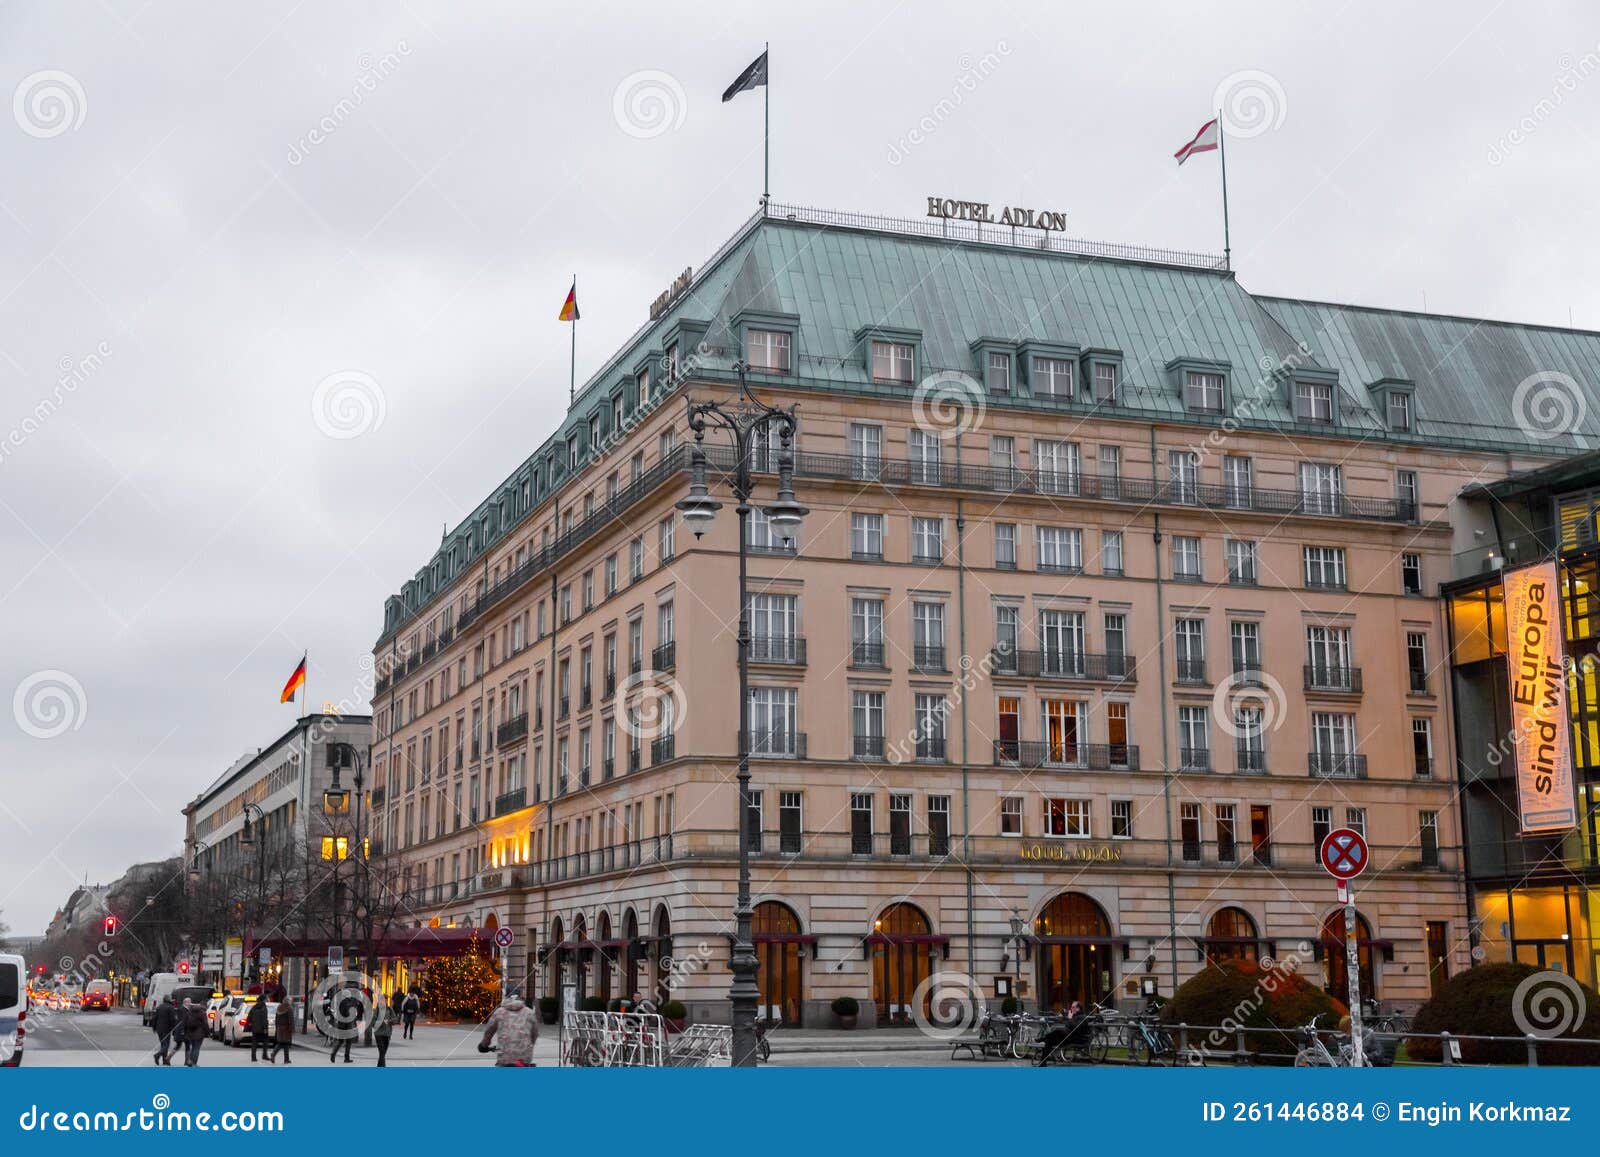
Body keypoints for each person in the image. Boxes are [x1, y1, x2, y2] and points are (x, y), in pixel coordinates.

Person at [478, 989, 539, 1066]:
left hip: (505, 1058)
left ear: (506, 996)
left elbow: (489, 1031)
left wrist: (483, 1045)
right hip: (523, 1059)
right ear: (520, 997)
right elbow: (535, 1033)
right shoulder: (529, 1012)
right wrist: (529, 1044)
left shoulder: (499, 1012)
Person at [151, 995, 178, 1065]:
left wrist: (154, 1028)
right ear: (169, 1000)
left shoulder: (159, 1007)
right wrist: (174, 1028)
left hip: (159, 1028)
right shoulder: (171, 1007)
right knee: (166, 1045)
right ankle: (157, 1055)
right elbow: (172, 1019)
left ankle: (164, 1060)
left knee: (163, 1044)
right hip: (167, 1029)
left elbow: (154, 1018)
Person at [180, 996, 207, 1067]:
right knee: (196, 1048)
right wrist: (207, 1033)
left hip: (190, 1033)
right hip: (199, 1034)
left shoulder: (189, 1012)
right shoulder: (202, 1013)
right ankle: (194, 1063)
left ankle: (190, 1061)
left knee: (193, 1047)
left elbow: (185, 1022)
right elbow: (205, 1024)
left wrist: (184, 1031)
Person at [269, 991, 294, 1063]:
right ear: (288, 1001)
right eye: (290, 1001)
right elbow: (291, 1019)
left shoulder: (279, 1007)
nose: (291, 1002)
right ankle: (273, 1054)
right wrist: (292, 1028)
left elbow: (276, 1019)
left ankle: (286, 1059)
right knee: (282, 1043)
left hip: (280, 1028)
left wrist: (277, 1027)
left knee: (285, 1043)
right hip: (286, 1029)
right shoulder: (289, 1008)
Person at [371, 994, 396, 1066]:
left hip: (387, 1033)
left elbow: (395, 1019)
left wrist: (390, 1021)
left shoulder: (389, 1009)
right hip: (378, 1033)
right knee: (382, 1051)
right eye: (382, 999)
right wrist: (381, 1022)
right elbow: (373, 1022)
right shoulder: (376, 1010)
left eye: (385, 999)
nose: (384, 1001)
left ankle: (379, 1066)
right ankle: (383, 1066)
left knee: (383, 1052)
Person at [245, 996, 270, 1062]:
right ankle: (264, 1055)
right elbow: (264, 1019)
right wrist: (265, 1028)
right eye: (266, 999)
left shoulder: (254, 1007)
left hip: (255, 1028)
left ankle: (253, 1057)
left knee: (254, 1043)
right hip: (262, 1028)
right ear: (264, 1000)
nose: (267, 1000)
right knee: (265, 1042)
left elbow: (249, 1016)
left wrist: (250, 1026)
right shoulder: (264, 1007)